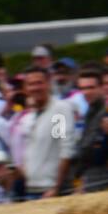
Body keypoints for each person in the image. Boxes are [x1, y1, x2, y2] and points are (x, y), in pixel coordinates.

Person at [18, 67, 77, 198]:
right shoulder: (30, 115)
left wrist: (56, 187)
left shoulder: (58, 110)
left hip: (49, 190)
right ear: (25, 88)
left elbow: (65, 150)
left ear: (48, 83)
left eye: (39, 82)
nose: (35, 88)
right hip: (32, 188)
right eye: (31, 84)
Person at [74, 64, 108, 194]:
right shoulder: (90, 110)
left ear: (101, 87)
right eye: (82, 88)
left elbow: (93, 151)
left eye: (91, 87)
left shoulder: (105, 112)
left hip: (102, 180)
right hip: (90, 178)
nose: (86, 92)